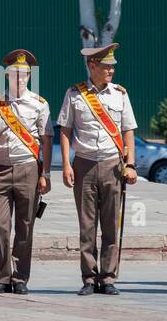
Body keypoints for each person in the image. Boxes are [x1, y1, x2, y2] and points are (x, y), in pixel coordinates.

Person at [58, 43, 137, 296]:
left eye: (113, 67)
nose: (111, 71)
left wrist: (131, 165)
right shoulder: (74, 94)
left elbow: (128, 131)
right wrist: (67, 165)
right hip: (84, 163)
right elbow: (66, 130)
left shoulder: (120, 95)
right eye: (106, 66)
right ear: (92, 66)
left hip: (113, 165)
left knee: (111, 224)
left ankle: (109, 277)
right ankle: (90, 278)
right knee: (87, 224)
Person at [0, 49, 52, 294]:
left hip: (28, 169)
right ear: (7, 75)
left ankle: (20, 278)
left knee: (25, 224)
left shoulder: (39, 104)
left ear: (29, 76)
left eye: (23, 74)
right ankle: (3, 276)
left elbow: (46, 140)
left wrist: (46, 174)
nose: (19, 78)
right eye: (14, 74)